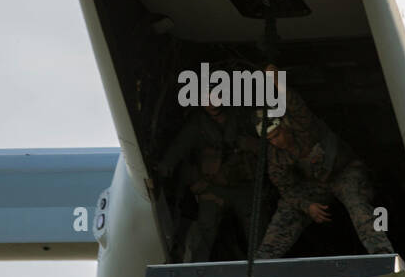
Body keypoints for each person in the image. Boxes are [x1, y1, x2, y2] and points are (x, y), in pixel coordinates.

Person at [254, 71, 392, 260]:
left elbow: (294, 104)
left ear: (285, 126)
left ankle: (382, 255)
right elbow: (286, 188)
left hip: (344, 172)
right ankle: (263, 263)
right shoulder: (275, 155)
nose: (275, 141)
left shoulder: (304, 126)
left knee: (357, 202)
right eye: (269, 139)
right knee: (286, 211)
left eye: (276, 135)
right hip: (314, 183)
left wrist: (276, 80)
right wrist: (307, 205)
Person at [157, 95, 261, 262]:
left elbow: (265, 144)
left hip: (245, 186)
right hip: (213, 188)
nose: (212, 103)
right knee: (205, 230)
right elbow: (178, 149)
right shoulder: (197, 124)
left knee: (256, 229)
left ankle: (263, 270)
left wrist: (247, 144)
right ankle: (197, 270)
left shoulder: (241, 117)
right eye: (207, 99)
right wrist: (162, 170)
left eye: (217, 97)